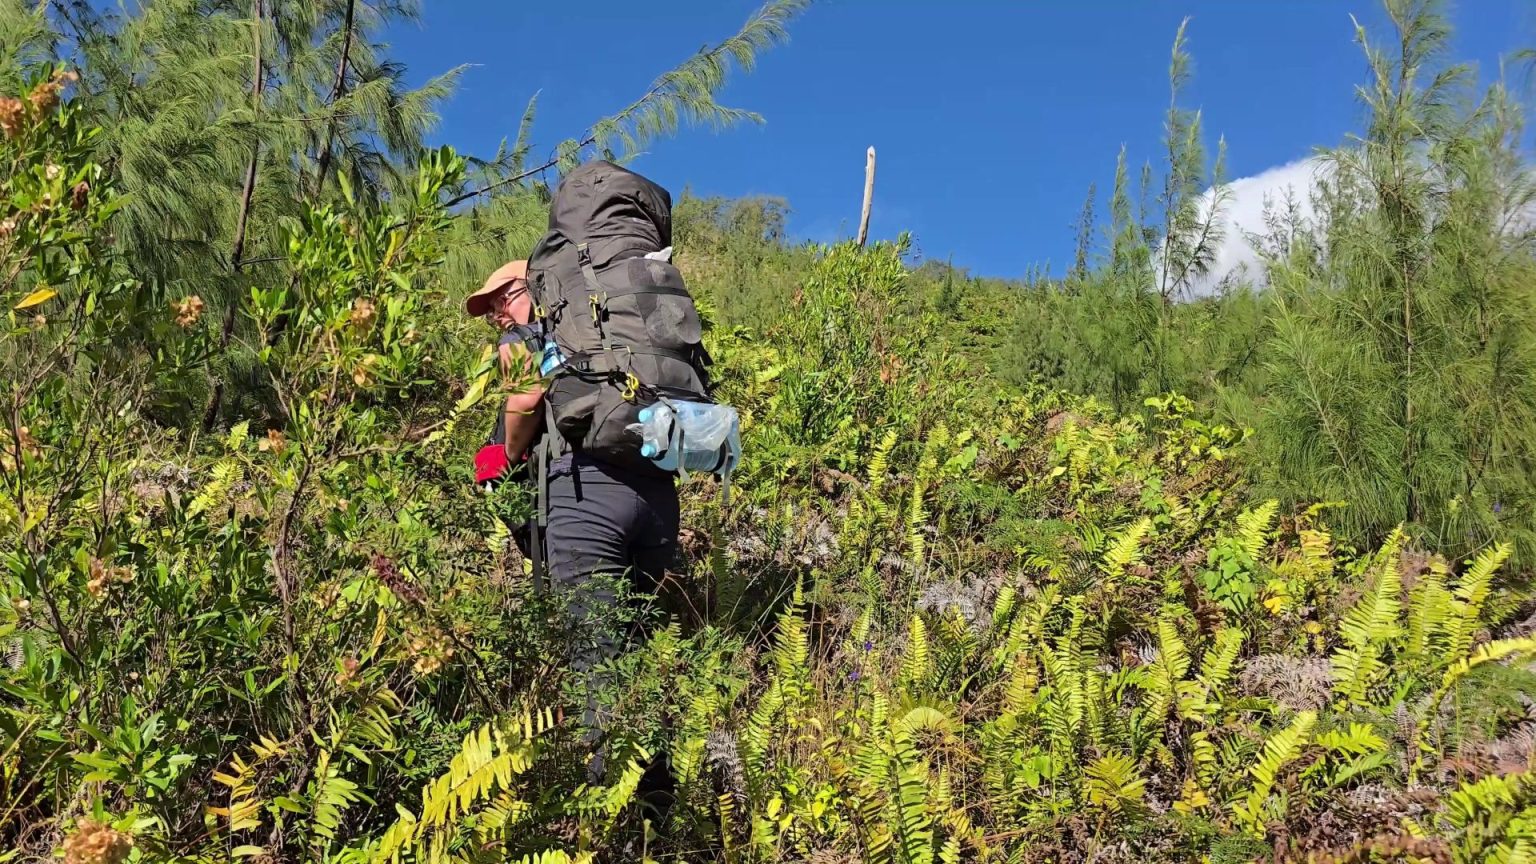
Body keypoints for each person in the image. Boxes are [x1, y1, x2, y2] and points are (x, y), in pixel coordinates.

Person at [465, 256, 680, 821]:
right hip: (657, 499)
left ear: (534, 287)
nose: (496, 315)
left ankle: (614, 827)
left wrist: (502, 456)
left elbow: (525, 401)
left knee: (596, 665)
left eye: (501, 299)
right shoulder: (613, 333)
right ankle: (662, 813)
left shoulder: (527, 337)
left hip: (586, 502)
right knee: (639, 651)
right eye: (490, 309)